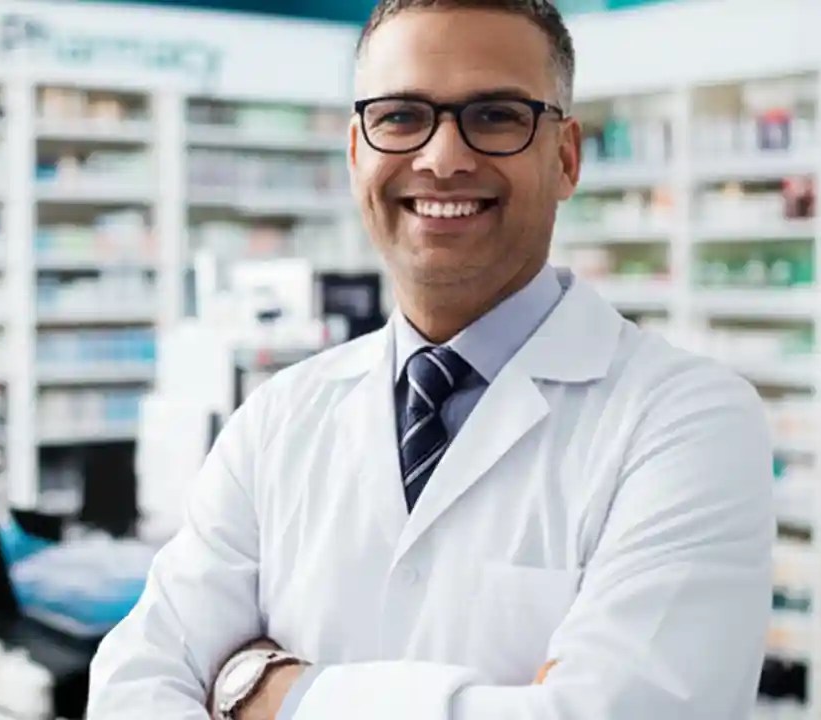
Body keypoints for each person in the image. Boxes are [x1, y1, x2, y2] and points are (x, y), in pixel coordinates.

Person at [86, 0, 775, 718]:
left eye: (497, 116)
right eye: (401, 116)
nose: (443, 158)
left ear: (565, 158)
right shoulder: (278, 417)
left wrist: (274, 695)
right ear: (357, 152)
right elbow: (134, 682)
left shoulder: (689, 420)